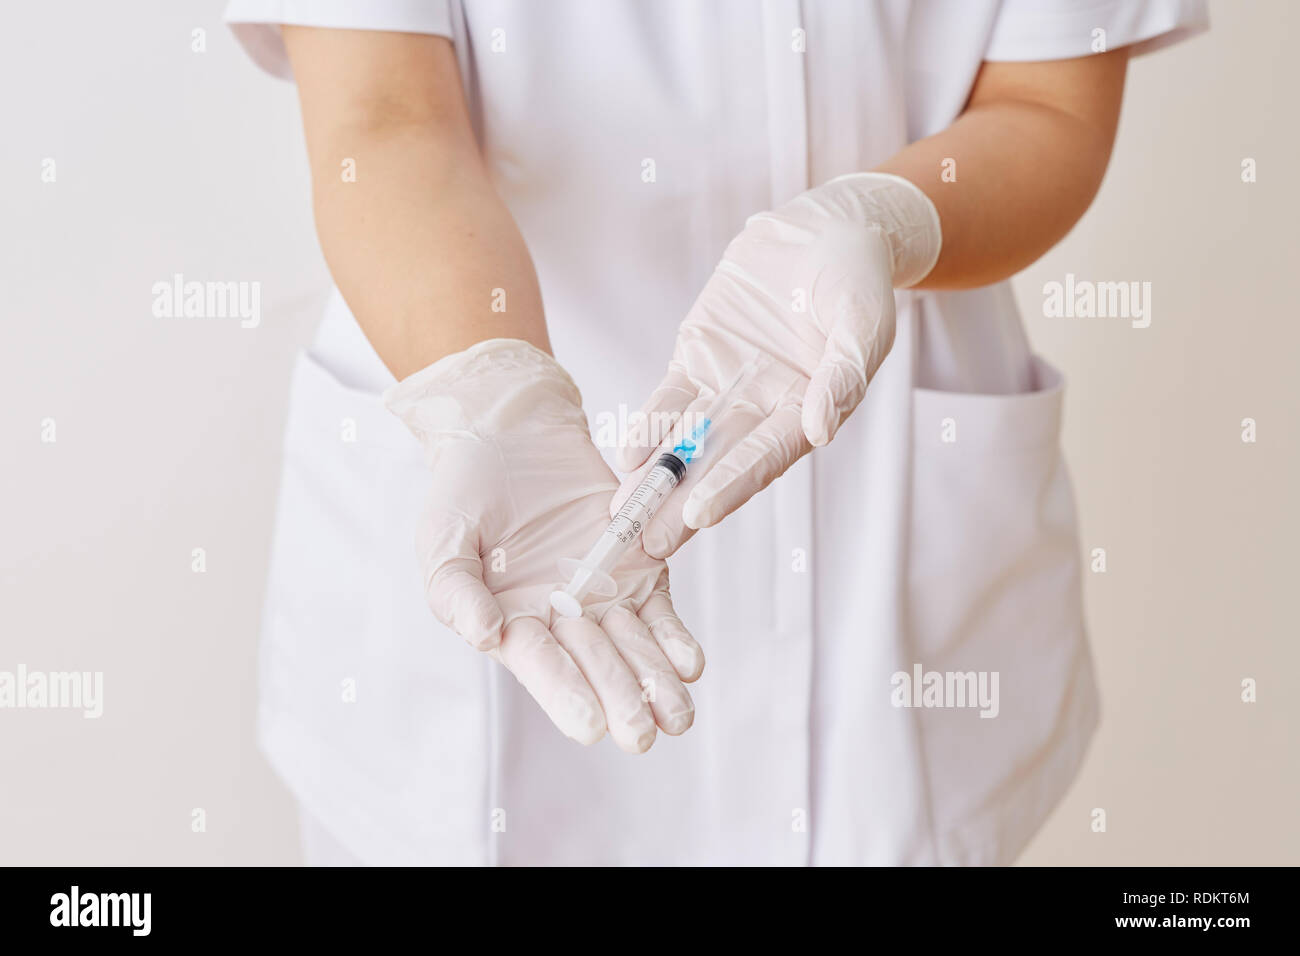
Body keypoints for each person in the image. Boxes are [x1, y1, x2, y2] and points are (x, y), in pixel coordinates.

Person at [225, 0, 1208, 865]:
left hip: (876, 459)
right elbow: (383, 122)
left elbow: (1047, 110)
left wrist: (887, 219)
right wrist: (488, 385)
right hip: (472, 414)